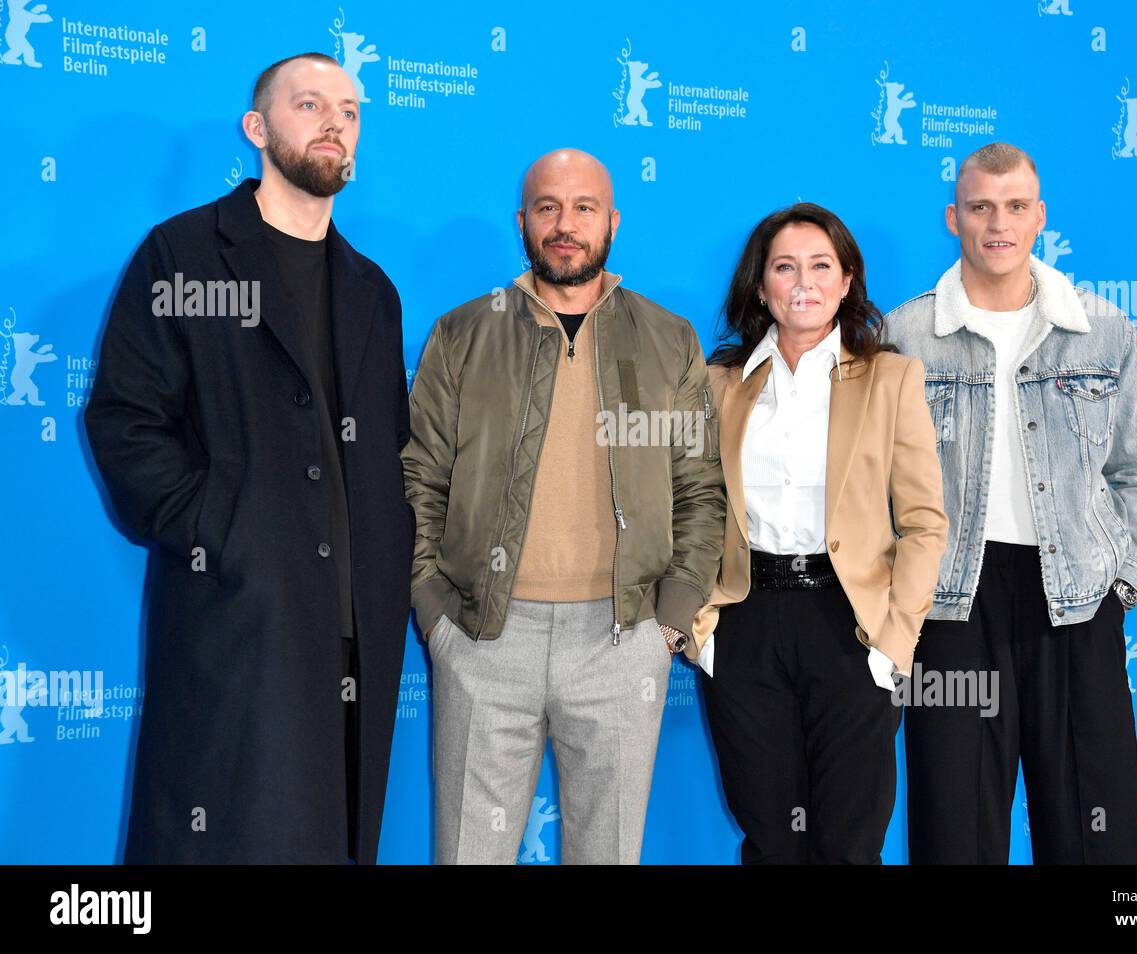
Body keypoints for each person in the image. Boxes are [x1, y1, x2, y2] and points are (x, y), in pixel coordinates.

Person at [85, 53, 413, 863]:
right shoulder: (186, 255)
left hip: (354, 638)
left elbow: (388, 453)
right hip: (239, 624)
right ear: (258, 129)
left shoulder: (372, 289)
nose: (334, 122)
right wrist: (222, 529)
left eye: (350, 109)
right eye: (309, 104)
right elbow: (126, 421)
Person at [403, 148, 725, 864]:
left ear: (612, 221)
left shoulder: (668, 337)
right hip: (484, 636)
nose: (565, 224)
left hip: (622, 639)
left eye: (583, 208)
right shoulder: (463, 333)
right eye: (548, 207)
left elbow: (699, 489)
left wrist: (668, 625)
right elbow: (418, 478)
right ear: (522, 222)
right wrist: (436, 617)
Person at [882, 142, 1137, 864]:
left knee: (1092, 829)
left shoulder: (1101, 330)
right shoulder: (904, 336)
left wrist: (1121, 584)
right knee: (954, 830)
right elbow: (872, 488)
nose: (998, 224)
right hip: (952, 609)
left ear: (1040, 217)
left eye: (1015, 207)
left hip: (1076, 602)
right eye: (981, 207)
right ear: (954, 217)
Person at [691, 202, 948, 864]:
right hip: (744, 627)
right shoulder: (717, 384)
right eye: (784, 267)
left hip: (851, 625)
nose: (803, 282)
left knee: (848, 844)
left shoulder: (892, 378)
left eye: (820, 265)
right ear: (760, 284)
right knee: (772, 840)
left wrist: (895, 644)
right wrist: (702, 632)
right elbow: (685, 509)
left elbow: (923, 522)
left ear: (846, 279)